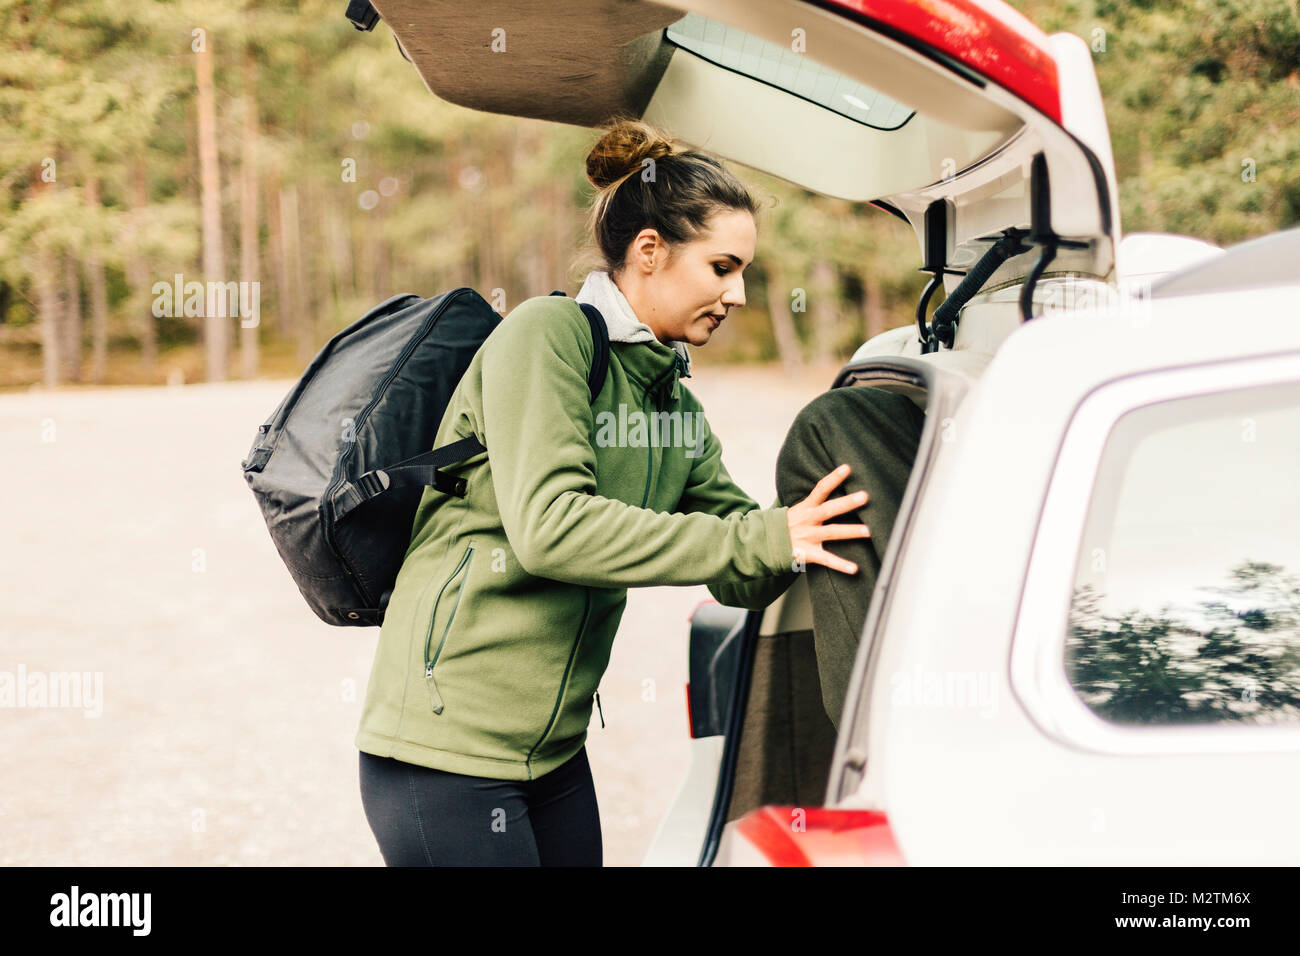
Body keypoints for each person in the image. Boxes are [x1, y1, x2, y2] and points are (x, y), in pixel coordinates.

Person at [355, 117, 878, 867]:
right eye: (723, 266)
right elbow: (551, 530)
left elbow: (740, 566)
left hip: (553, 752)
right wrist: (766, 536)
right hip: (445, 751)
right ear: (649, 251)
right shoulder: (548, 337)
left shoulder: (670, 399)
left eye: (745, 272)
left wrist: (831, 524)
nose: (737, 293)